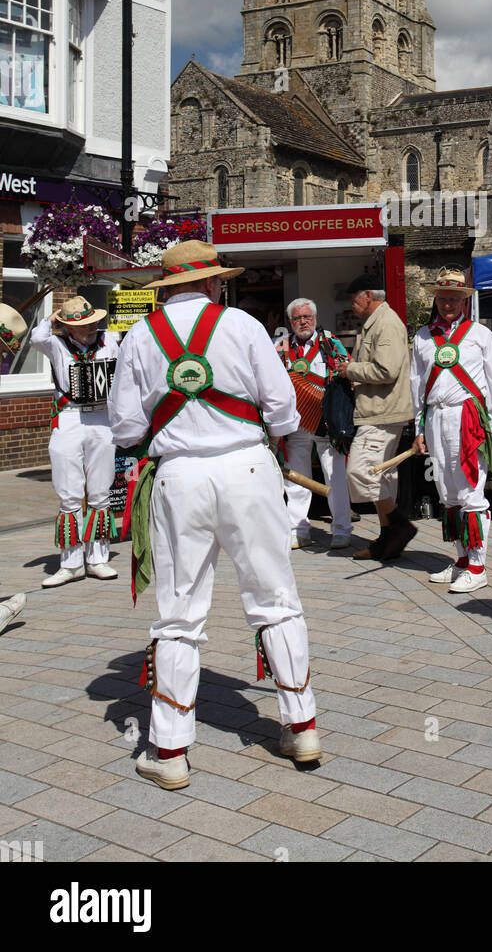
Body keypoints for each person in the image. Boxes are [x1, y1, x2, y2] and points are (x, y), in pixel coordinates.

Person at [108, 240, 319, 790]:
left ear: (168, 287)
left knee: (179, 614)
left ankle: (171, 752)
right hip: (248, 469)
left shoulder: (138, 337)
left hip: (179, 477)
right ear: (210, 284)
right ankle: (301, 727)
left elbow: (126, 430)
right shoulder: (244, 326)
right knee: (275, 598)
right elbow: (284, 410)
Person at [411, 268, 492, 593]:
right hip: (436, 418)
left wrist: (490, 426)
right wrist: (418, 427)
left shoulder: (481, 335)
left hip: (467, 419)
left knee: (470, 491)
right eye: (443, 298)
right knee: (447, 492)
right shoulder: (422, 337)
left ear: (464, 301)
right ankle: (462, 560)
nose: (448, 304)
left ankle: (478, 566)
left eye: (454, 299)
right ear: (435, 299)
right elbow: (416, 385)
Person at [30, 297, 120, 588]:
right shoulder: (56, 345)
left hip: (102, 418)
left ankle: (98, 560)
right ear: (69, 328)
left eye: (92, 321)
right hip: (69, 418)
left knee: (100, 490)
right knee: (68, 493)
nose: (91, 326)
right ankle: (70, 564)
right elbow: (36, 337)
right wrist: (52, 318)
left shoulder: (110, 341)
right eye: (83, 324)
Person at [337, 276, 415, 563]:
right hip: (379, 411)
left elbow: (387, 370)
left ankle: (398, 527)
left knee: (360, 472)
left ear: (368, 294)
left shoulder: (386, 323)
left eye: (353, 297)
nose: (351, 303)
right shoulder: (379, 322)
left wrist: (351, 370)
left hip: (381, 413)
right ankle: (388, 539)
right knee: (381, 476)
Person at [275, 298, 353, 549]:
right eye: (297, 318)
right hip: (295, 425)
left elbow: (347, 371)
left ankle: (341, 529)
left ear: (316, 319)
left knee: (336, 477)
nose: (303, 322)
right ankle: (299, 530)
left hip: (327, 424)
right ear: (290, 321)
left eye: (307, 317)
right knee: (296, 479)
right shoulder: (280, 346)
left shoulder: (331, 343)